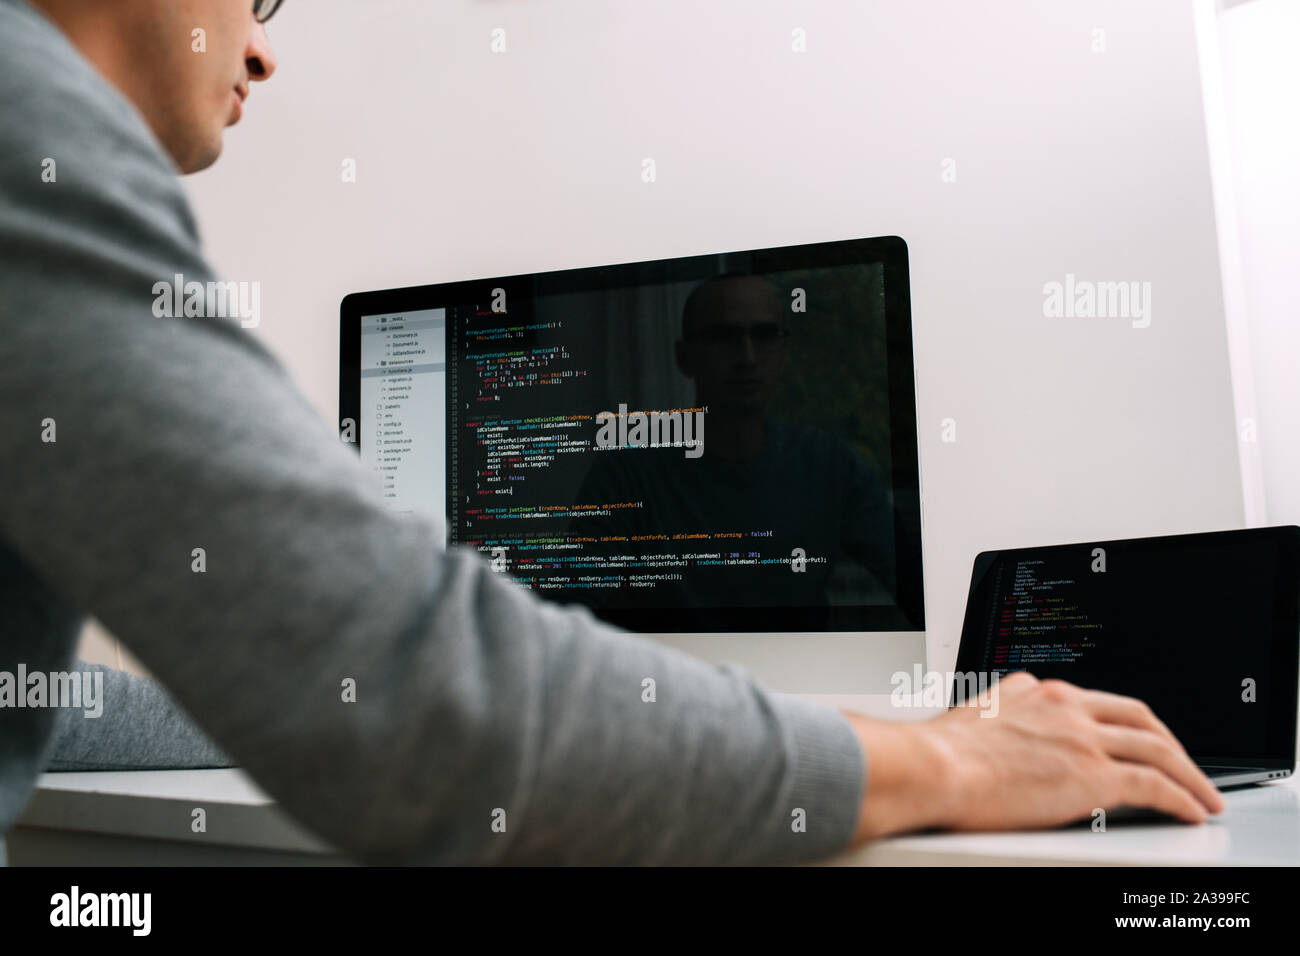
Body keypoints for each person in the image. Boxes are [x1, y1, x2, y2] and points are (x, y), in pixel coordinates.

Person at [0, 0, 1224, 867]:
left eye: (767, 338)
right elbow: (432, 708)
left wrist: (279, 692)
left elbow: (48, 705)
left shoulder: (833, 472)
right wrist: (942, 764)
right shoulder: (24, 124)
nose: (263, 51)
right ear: (686, 358)